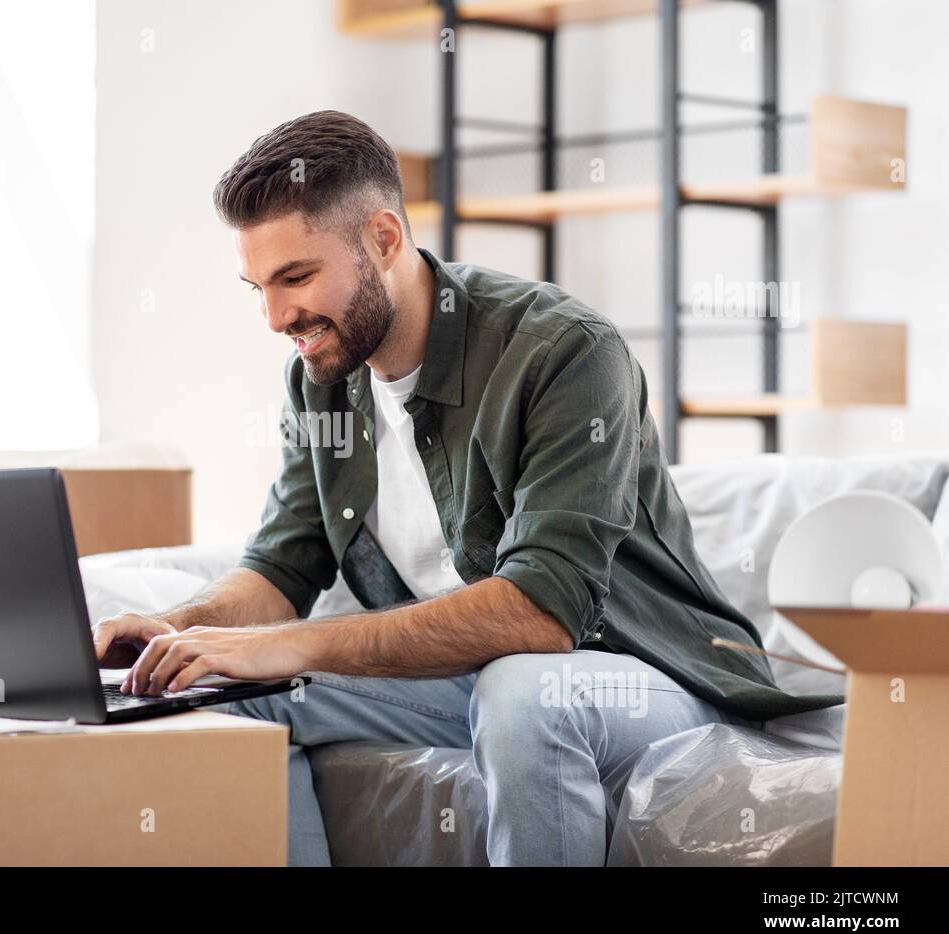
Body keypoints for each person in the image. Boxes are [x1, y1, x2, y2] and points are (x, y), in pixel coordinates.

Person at [92, 110, 830, 866]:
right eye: (258, 286)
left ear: (382, 239)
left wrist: (275, 647)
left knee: (524, 694)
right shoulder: (320, 380)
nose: (277, 317)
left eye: (297, 277)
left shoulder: (564, 351)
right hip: (466, 679)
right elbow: (283, 567)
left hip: (647, 673)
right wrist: (181, 631)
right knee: (218, 689)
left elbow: (543, 615)